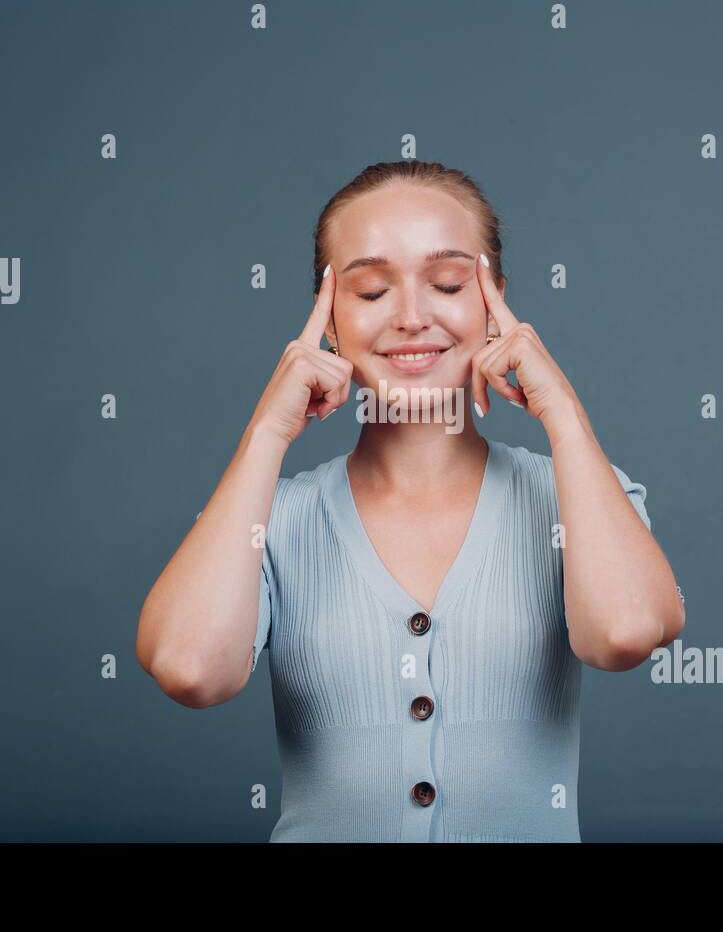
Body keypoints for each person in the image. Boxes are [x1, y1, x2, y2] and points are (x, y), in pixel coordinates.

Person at [136, 160, 685, 842]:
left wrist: (563, 415)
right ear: (327, 321)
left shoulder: (575, 496)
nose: (412, 317)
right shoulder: (271, 519)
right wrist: (265, 435)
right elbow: (189, 670)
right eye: (370, 291)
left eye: (449, 283)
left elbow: (625, 633)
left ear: (496, 302)